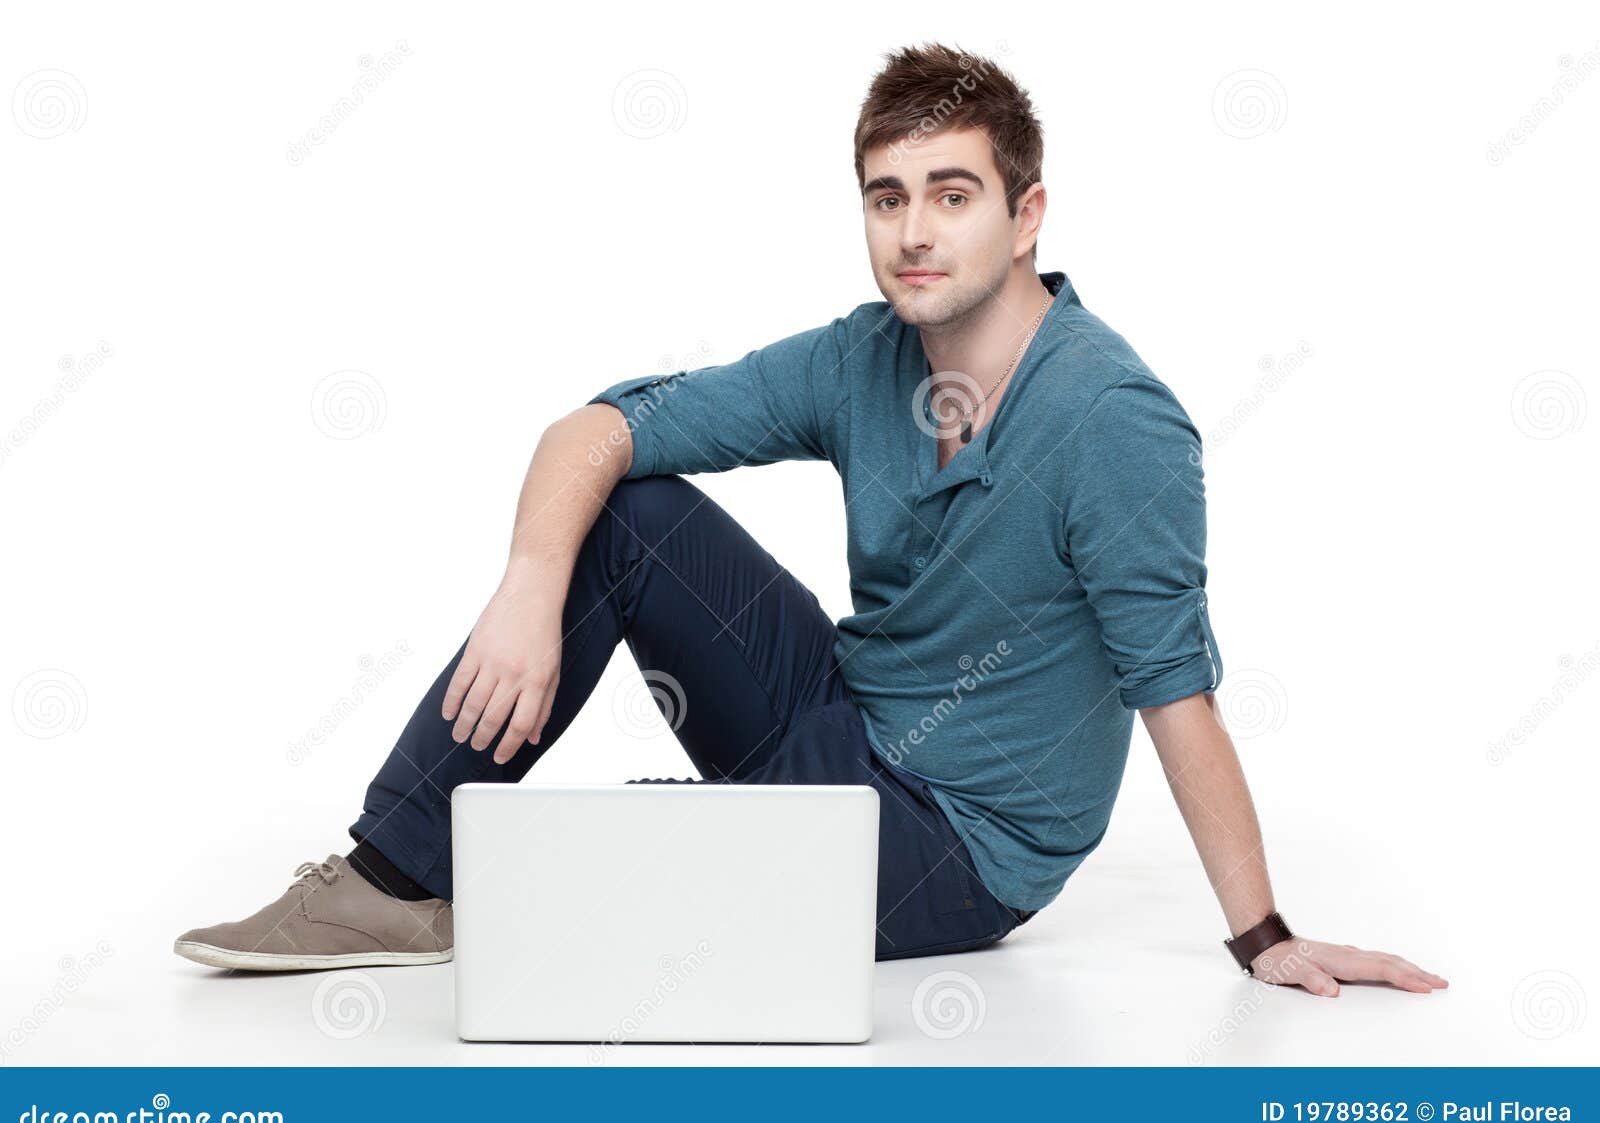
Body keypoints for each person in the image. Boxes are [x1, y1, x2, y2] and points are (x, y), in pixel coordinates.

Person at [175, 42, 1447, 997]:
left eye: (952, 194)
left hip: (956, 838)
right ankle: (389, 880)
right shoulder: (859, 356)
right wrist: (527, 580)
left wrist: (1262, 934)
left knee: (579, 895)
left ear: (1026, 215)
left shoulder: (1112, 419)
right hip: (833, 712)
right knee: (625, 510)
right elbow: (596, 427)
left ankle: (600, 849)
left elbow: (1176, 689)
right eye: (887, 199)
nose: (914, 233)